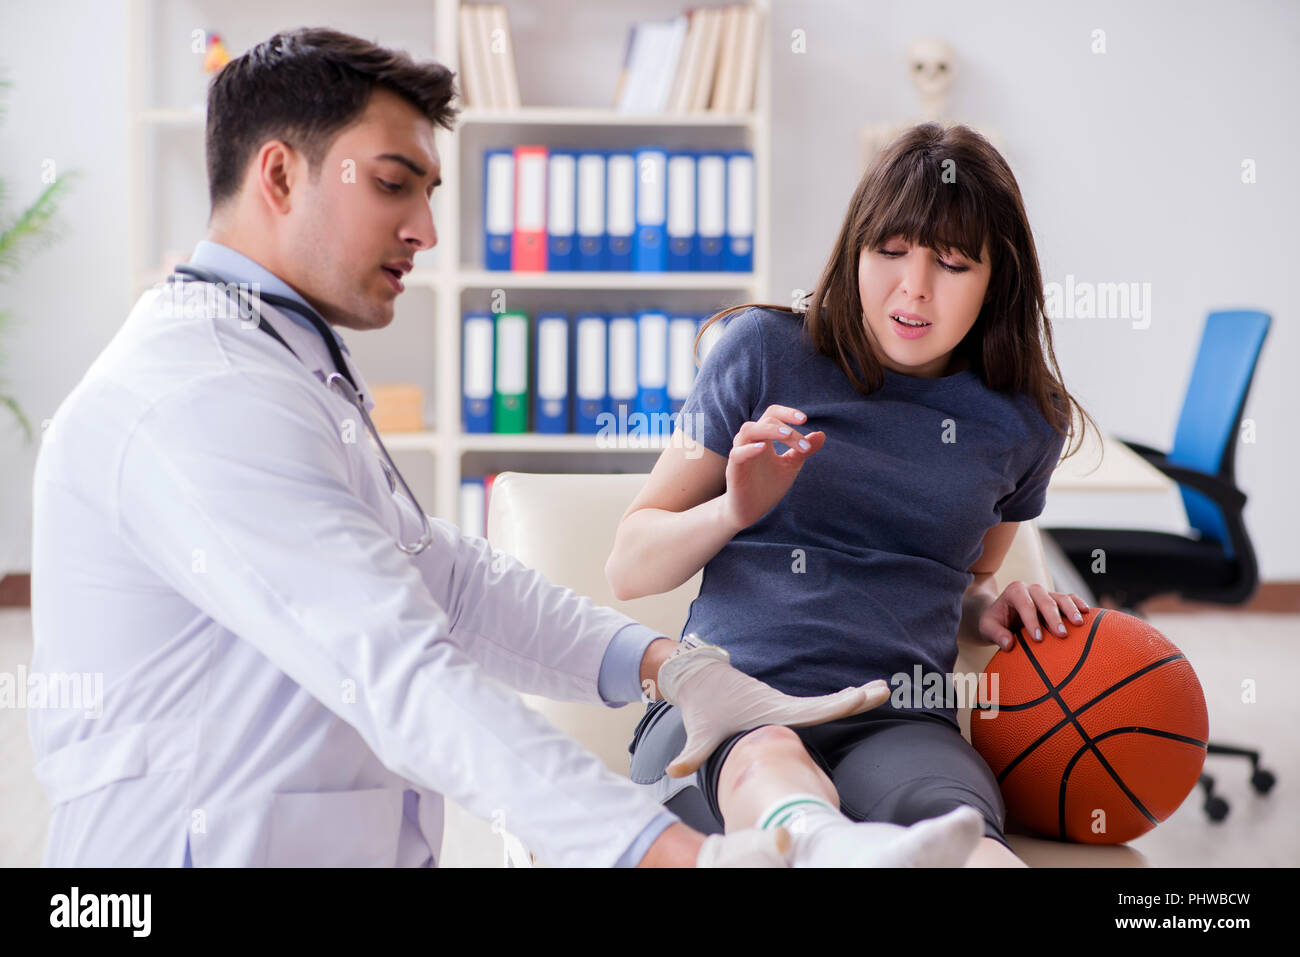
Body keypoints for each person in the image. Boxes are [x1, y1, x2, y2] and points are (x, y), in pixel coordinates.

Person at [26, 28, 979, 869]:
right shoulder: (203, 396)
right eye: (394, 185)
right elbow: (399, 668)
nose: (429, 230)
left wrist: (672, 666)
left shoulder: (284, 365)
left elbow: (451, 580)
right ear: (278, 175)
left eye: (431, 191)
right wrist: (669, 851)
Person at [608, 122, 1099, 867]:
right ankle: (820, 843)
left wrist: (990, 607)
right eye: (890, 252)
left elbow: (958, 583)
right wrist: (736, 508)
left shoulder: (1025, 420)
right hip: (727, 707)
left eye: (955, 263)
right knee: (769, 759)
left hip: (895, 719)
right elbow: (629, 564)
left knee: (958, 828)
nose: (914, 288)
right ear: (855, 249)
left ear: (1000, 278)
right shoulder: (762, 353)